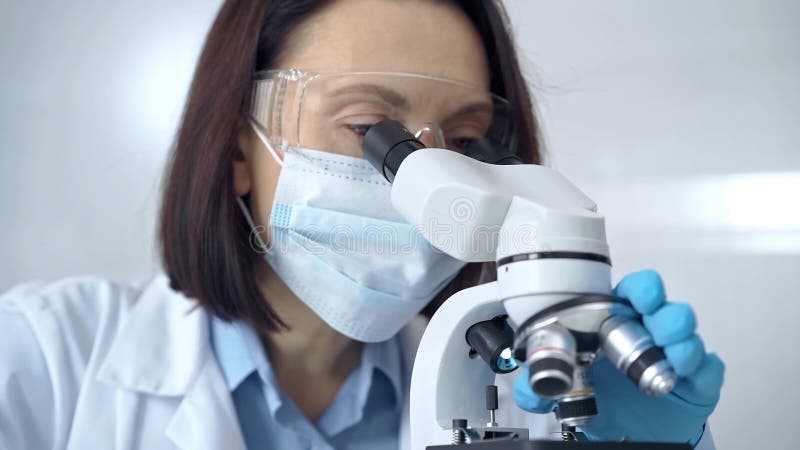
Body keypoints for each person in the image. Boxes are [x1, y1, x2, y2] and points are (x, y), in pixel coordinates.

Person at [0, 1, 724, 449]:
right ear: (237, 152)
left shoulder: (523, 394)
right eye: (372, 130)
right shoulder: (40, 362)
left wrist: (637, 443)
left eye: (468, 140)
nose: (431, 187)